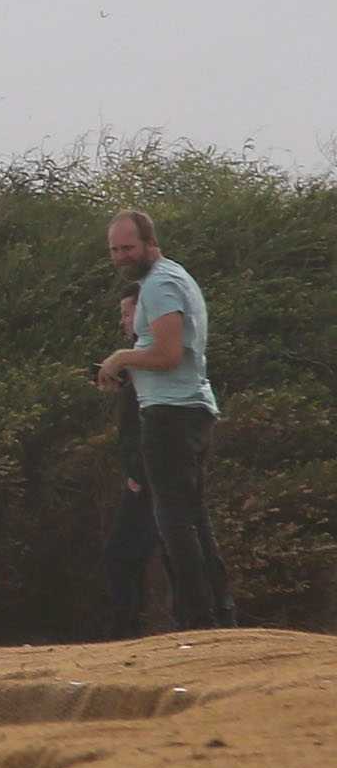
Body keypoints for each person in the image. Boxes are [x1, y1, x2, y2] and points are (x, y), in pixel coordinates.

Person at [95, 208, 236, 629]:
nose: (121, 256)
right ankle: (218, 615)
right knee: (191, 515)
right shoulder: (168, 278)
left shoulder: (159, 284)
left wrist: (122, 356)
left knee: (174, 520)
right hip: (184, 408)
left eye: (128, 247)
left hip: (172, 415)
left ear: (149, 243)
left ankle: (199, 620)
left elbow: (169, 353)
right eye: (115, 249)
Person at [100, 289, 160, 638]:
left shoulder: (147, 357)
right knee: (134, 555)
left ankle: (126, 632)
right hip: (145, 471)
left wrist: (139, 472)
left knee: (121, 555)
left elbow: (151, 417)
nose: (123, 321)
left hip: (148, 473)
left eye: (127, 314)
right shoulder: (140, 359)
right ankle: (131, 629)